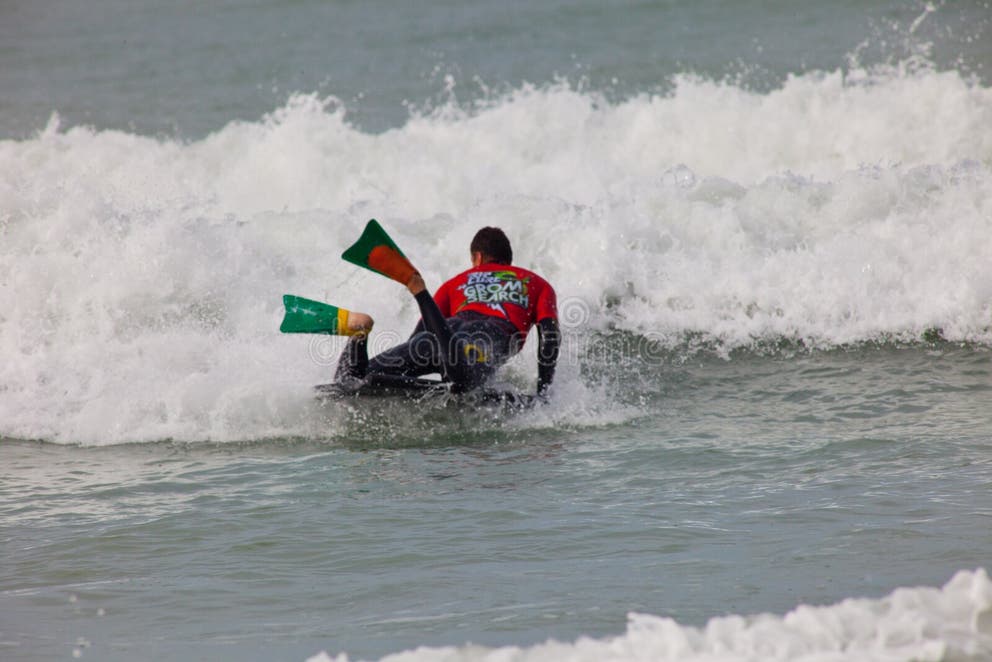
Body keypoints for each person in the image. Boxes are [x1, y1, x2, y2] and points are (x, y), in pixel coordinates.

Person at [335, 227, 560, 396]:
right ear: (509, 261)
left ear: (477, 258)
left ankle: (359, 331)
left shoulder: (454, 284)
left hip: (439, 335)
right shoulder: (537, 284)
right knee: (465, 382)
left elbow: (418, 339)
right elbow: (550, 337)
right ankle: (419, 291)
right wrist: (543, 392)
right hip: (485, 338)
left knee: (353, 380)